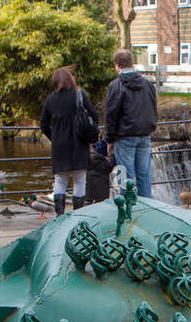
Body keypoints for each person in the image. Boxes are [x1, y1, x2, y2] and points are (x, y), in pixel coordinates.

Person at [38, 66, 97, 214]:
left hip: (59, 145)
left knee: (60, 180)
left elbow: (43, 124)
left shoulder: (50, 100)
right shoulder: (79, 95)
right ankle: (77, 214)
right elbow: (94, 115)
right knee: (79, 180)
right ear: (70, 79)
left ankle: (60, 215)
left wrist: (54, 137)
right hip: (79, 143)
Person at [103, 48, 158, 200]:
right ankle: (146, 208)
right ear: (131, 63)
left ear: (117, 65)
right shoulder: (147, 84)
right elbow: (153, 107)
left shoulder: (116, 85)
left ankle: (126, 208)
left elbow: (111, 114)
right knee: (144, 175)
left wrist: (110, 139)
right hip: (144, 134)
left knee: (125, 176)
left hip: (125, 136)